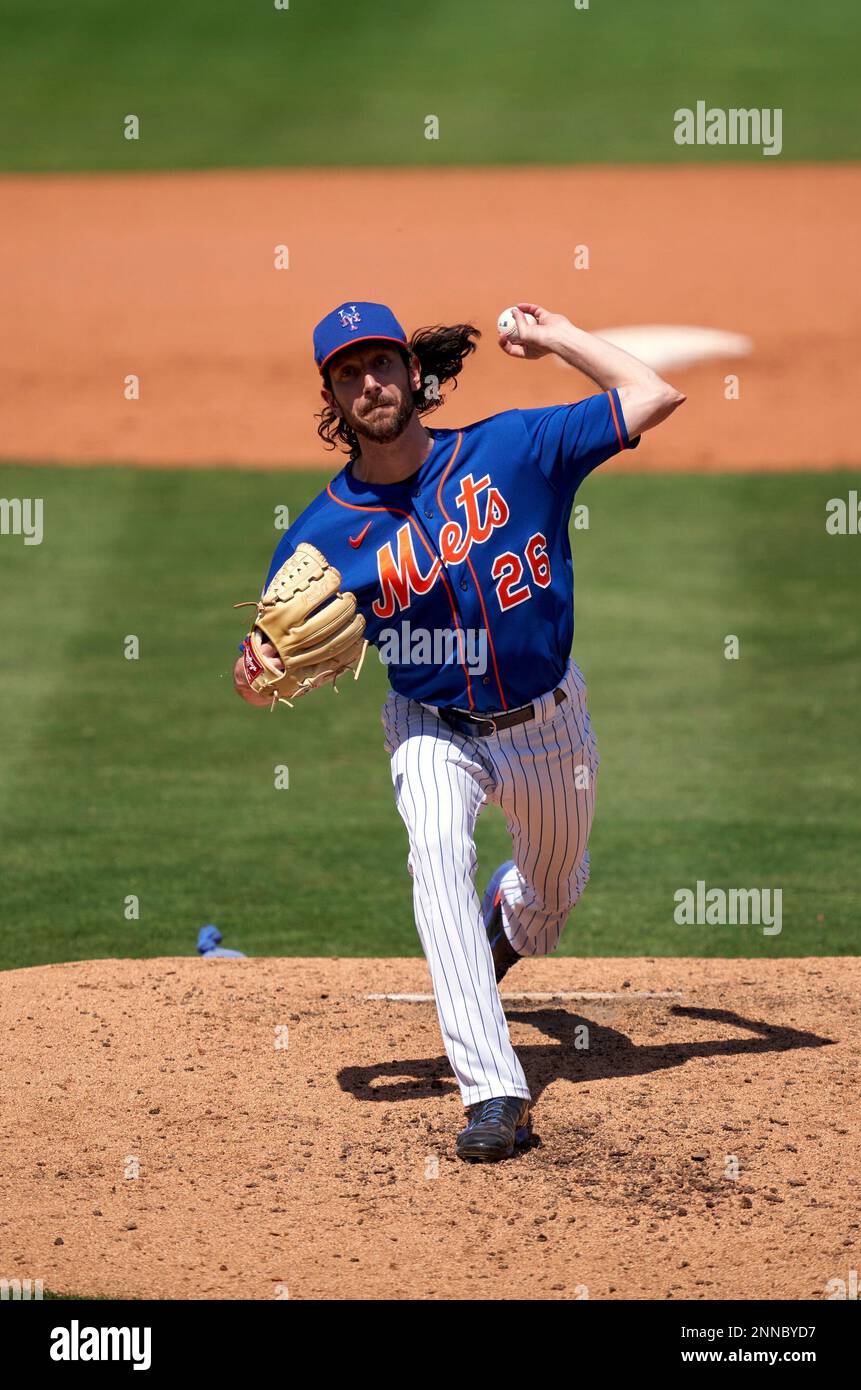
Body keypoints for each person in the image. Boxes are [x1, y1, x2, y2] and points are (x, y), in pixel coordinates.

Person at [235, 299, 685, 1162]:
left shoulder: (513, 447)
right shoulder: (321, 535)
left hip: (549, 727)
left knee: (550, 899)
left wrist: (552, 337)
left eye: (381, 364)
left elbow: (654, 394)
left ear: (412, 373)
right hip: (429, 727)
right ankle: (495, 1093)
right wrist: (251, 677)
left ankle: (507, 926)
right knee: (436, 856)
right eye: (347, 373)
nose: (370, 383)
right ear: (331, 397)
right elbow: (264, 667)